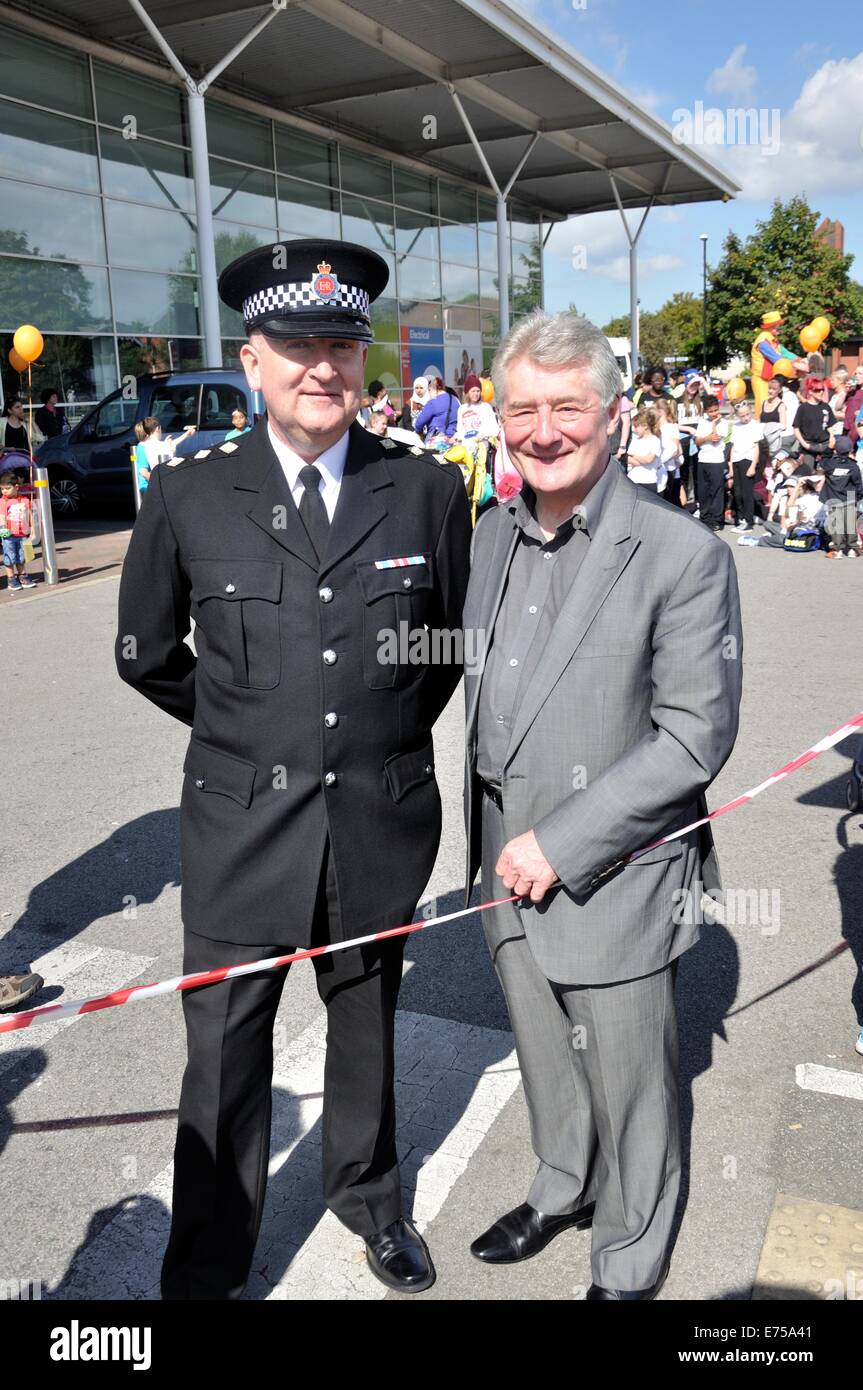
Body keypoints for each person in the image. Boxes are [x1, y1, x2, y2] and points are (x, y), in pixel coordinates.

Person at [115, 237, 471, 1300]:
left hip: (375, 819)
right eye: (295, 345)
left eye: (340, 346)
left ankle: (371, 1202)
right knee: (224, 1055)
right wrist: (247, 729)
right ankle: (208, 1258)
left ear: (362, 362)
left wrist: (374, 733)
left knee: (365, 1028)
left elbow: (442, 646)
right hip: (240, 827)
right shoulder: (188, 492)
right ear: (252, 361)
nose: (321, 366)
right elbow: (145, 651)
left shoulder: (423, 489)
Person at [462, 310, 742, 1300]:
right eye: (521, 410)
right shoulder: (489, 536)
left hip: (610, 870)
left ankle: (628, 1251)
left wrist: (562, 839)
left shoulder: (680, 552)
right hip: (501, 858)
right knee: (544, 1049)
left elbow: (692, 737)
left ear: (614, 417)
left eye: (566, 408)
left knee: (631, 1084)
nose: (542, 432)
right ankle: (561, 1183)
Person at [816, 438, 861, 558]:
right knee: (850, 523)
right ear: (850, 450)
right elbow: (858, 483)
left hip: (833, 495)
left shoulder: (829, 464)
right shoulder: (853, 466)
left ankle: (837, 549)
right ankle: (853, 549)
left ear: (836, 450)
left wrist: (830, 448)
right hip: (850, 495)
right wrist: (859, 496)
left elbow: (822, 458)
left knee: (836, 524)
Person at [728, 399, 765, 532]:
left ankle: (748, 521)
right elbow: (733, 447)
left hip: (748, 460)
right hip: (737, 460)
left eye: (748, 414)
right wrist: (731, 466)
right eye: (742, 415)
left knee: (746, 493)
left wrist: (753, 465)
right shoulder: (736, 426)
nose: (746, 418)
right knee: (737, 492)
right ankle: (741, 518)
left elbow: (756, 448)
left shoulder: (755, 426)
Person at [133, 417, 196, 492]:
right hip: (148, 487)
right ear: (157, 429)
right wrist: (159, 482)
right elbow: (143, 472)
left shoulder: (148, 445)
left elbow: (170, 445)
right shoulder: (143, 446)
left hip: (152, 486)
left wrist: (186, 434)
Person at [695, 396, 728, 530]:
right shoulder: (702, 422)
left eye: (716, 410)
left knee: (716, 490)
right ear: (706, 411)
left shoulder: (723, 423)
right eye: (711, 411)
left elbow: (715, 439)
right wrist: (705, 438)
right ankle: (705, 517)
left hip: (716, 460)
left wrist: (714, 424)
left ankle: (716, 519)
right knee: (703, 490)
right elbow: (697, 441)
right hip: (703, 459)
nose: (714, 413)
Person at [0, 469, 37, 592]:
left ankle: (23, 576)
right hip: (8, 535)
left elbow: (30, 515)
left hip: (22, 534)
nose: (4, 491)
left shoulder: (25, 500)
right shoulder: (3, 501)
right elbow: (2, 516)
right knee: (9, 557)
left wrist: (33, 530)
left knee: (22, 556)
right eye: (2, 489)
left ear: (16, 487)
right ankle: (11, 579)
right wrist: (2, 527)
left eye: (7, 488)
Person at [794, 377, 835, 464]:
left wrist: (832, 437)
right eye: (818, 390)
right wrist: (804, 444)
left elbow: (830, 425)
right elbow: (796, 428)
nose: (821, 392)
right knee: (808, 469)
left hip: (825, 444)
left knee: (825, 470)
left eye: (822, 389)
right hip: (809, 446)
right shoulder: (803, 408)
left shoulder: (826, 406)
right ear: (810, 391)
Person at [625, 407, 665, 493]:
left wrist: (634, 455)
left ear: (645, 426)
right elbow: (628, 459)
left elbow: (648, 460)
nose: (634, 429)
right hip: (633, 480)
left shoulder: (655, 441)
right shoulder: (635, 440)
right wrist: (642, 461)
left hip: (648, 481)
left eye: (637, 426)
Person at [414, 375, 458, 443]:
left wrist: (419, 432)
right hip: (453, 439)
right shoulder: (455, 400)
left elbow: (419, 423)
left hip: (436, 441)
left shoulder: (433, 402)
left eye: (429, 390)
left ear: (433, 389)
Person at [456, 374, 498, 443]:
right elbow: (460, 430)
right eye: (473, 391)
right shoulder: (462, 409)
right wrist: (456, 437)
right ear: (467, 392)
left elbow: (495, 429)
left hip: (483, 444)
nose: (476, 394)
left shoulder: (486, 407)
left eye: (478, 391)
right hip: (466, 445)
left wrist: (484, 435)